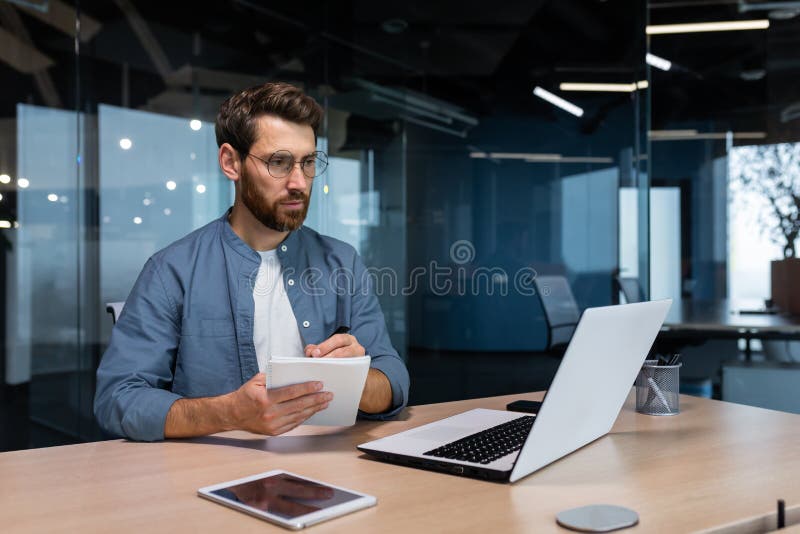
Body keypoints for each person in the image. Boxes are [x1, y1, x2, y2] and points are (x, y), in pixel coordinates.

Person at [94, 82, 409, 441]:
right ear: (231, 162)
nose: (299, 183)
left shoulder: (342, 262)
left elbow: (393, 377)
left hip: (327, 463)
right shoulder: (171, 271)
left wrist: (359, 380)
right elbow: (117, 399)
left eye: (308, 163)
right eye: (279, 162)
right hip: (212, 474)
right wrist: (229, 413)